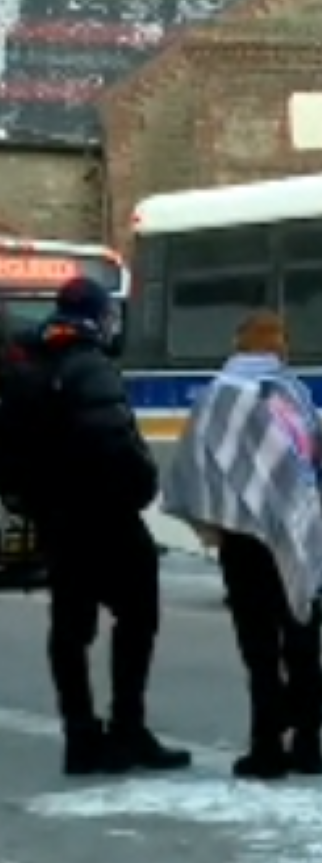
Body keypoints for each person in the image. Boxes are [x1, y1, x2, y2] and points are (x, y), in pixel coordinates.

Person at [0, 277, 189, 775]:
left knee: (70, 628)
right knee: (138, 616)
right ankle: (127, 727)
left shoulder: (27, 363)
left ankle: (80, 736)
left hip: (54, 516)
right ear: (99, 316)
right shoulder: (89, 363)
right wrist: (142, 487)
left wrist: (28, 498)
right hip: (104, 514)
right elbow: (114, 440)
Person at [161, 310, 322, 781]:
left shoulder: (218, 394)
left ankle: (266, 748)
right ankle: (309, 744)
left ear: (238, 346)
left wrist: (209, 521)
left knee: (258, 644)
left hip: (243, 536)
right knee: (303, 638)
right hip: (296, 531)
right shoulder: (293, 392)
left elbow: (193, 462)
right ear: (279, 346)